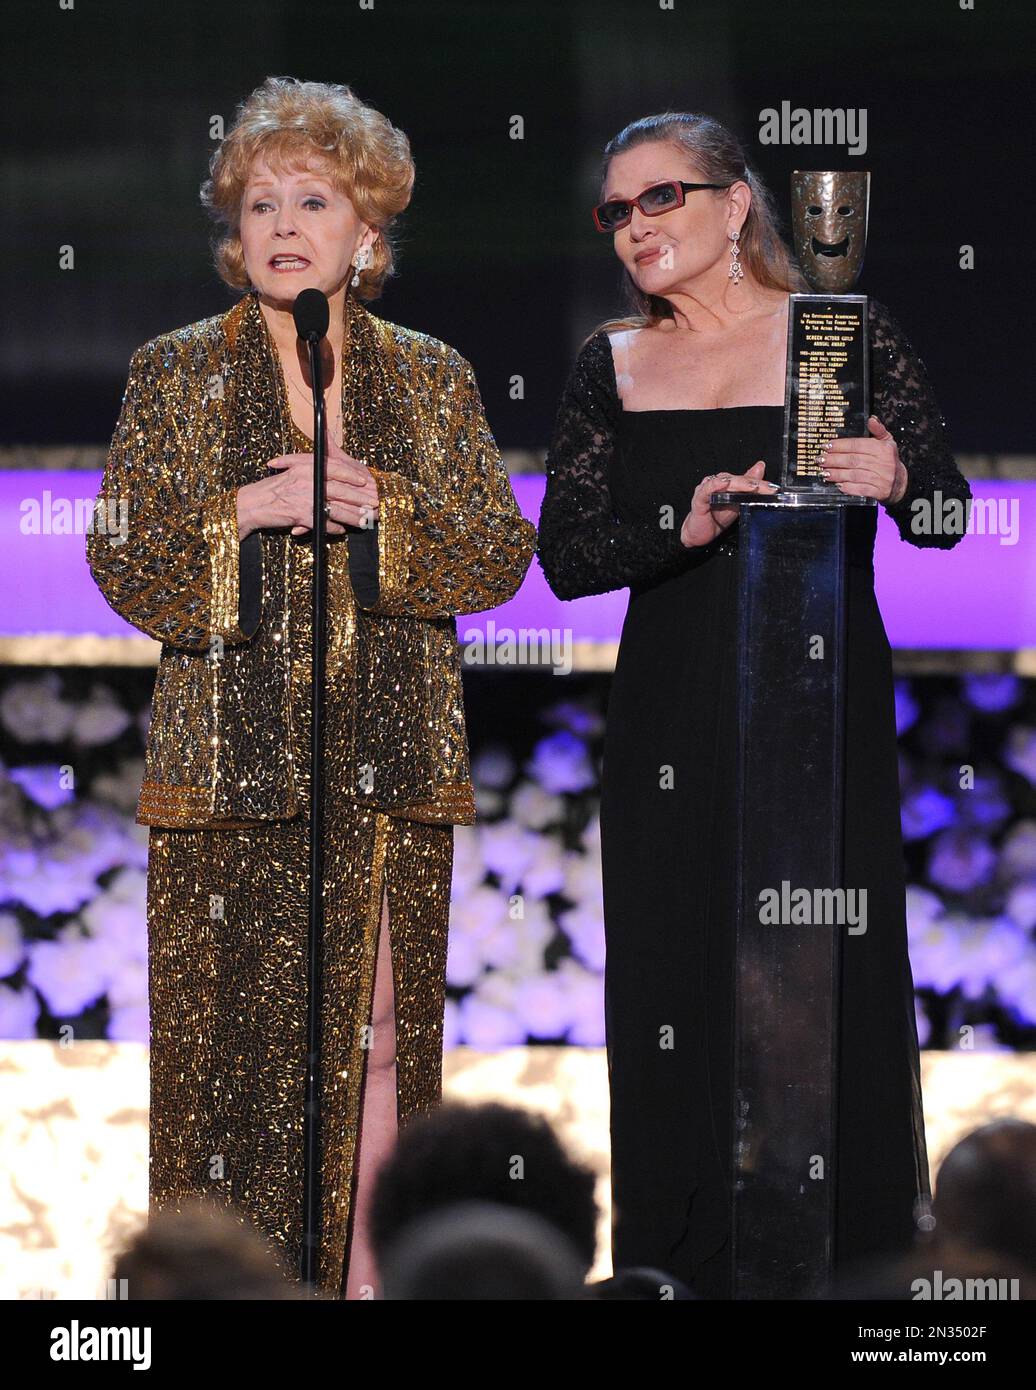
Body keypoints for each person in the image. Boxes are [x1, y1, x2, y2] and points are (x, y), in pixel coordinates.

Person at [86, 76, 535, 1300]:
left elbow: (498, 552)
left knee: (385, 1051)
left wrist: (385, 510)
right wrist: (244, 509)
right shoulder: (174, 371)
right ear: (235, 243)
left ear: (366, 233)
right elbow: (121, 550)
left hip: (390, 773)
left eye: (315, 199)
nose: (285, 222)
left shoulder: (431, 376)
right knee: (228, 1067)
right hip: (229, 774)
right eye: (260, 203)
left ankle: (371, 1289)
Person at [536, 111, 971, 1299]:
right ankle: (684, 1275)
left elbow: (945, 514)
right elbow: (566, 556)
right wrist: (679, 525)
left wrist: (897, 482)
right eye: (615, 210)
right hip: (670, 714)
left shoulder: (838, 334)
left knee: (823, 979)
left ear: (737, 206)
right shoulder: (609, 363)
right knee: (676, 986)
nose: (635, 227)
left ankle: (856, 1279)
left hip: (818, 703)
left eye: (660, 198)